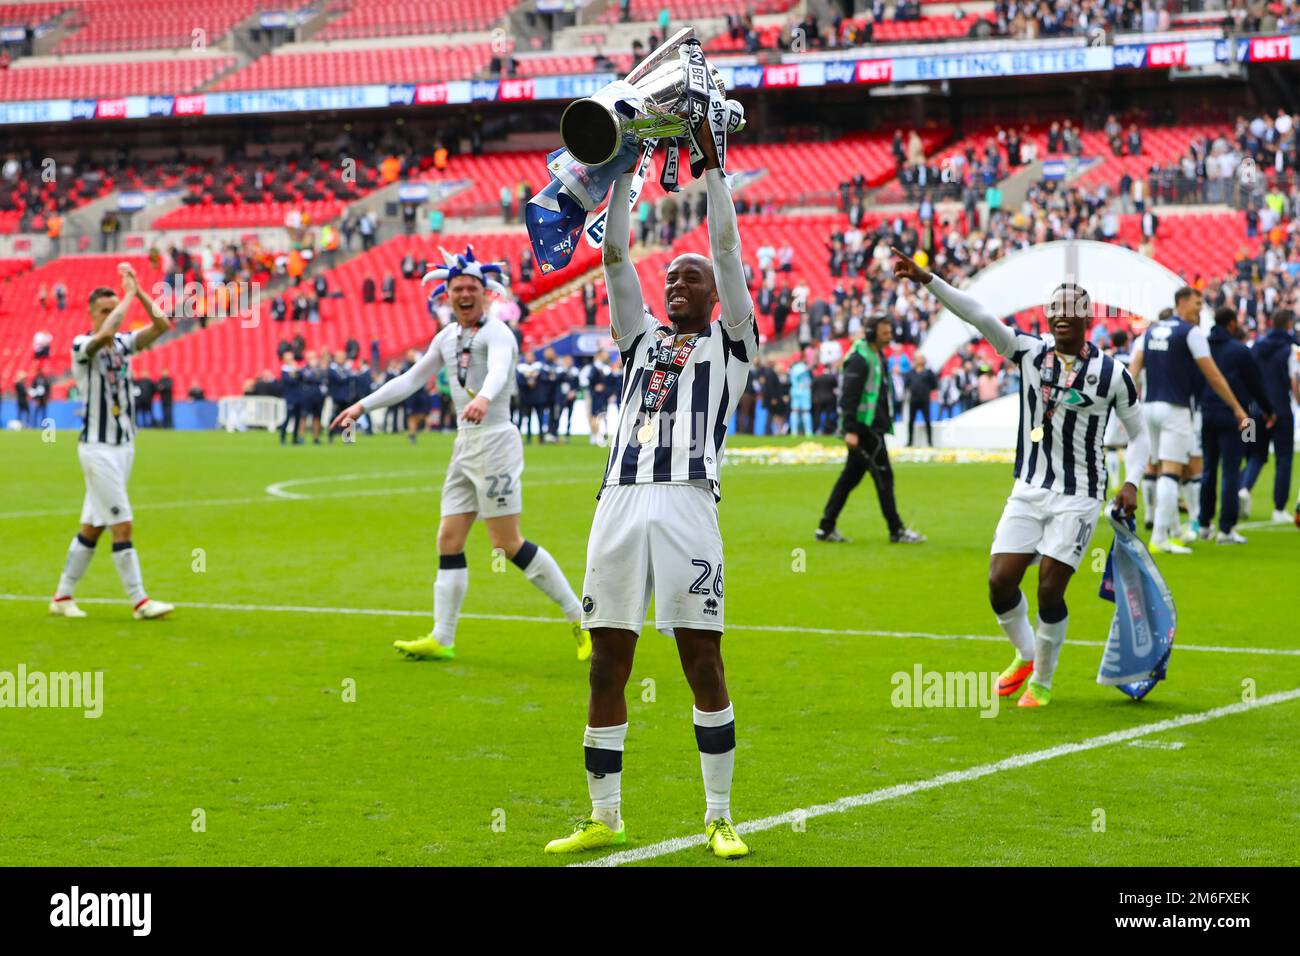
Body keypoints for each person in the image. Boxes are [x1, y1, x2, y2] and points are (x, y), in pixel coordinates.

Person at [545, 111, 753, 860]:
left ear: (714, 295)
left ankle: (719, 815)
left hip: (688, 503)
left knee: (702, 658)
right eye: (671, 278)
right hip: (620, 502)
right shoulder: (641, 342)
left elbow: (726, 247)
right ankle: (605, 814)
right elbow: (615, 261)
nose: (675, 284)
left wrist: (713, 171)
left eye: (688, 278)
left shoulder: (733, 345)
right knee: (607, 660)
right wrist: (626, 168)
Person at [893, 248, 1149, 708]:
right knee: (999, 581)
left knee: (1049, 587)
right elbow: (979, 315)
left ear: (1087, 317)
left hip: (1080, 495)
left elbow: (1140, 435)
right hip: (1029, 488)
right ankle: (1027, 654)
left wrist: (1132, 482)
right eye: (1054, 309)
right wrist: (928, 279)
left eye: (1070, 309)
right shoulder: (1029, 353)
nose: (1060, 316)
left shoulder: (1114, 373)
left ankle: (1043, 683)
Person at [330, 247, 589, 663]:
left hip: (495, 441)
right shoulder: (447, 337)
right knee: (449, 539)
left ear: (486, 294)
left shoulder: (497, 333)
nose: (464, 294)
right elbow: (411, 380)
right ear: (446, 295)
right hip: (464, 443)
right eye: (457, 289)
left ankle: (579, 617)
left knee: (505, 543)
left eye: (472, 288)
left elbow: (501, 369)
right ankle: (442, 637)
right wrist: (363, 406)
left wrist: (485, 398)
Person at [49, 264, 175, 622]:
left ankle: (62, 596)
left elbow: (163, 326)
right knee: (123, 523)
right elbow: (104, 336)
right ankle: (140, 602)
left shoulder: (124, 344)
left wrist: (140, 293)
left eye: (113, 308)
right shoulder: (82, 345)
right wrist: (130, 296)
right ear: (91, 313)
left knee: (92, 527)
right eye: (104, 310)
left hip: (124, 446)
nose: (110, 316)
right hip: (97, 448)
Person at [1128, 287, 1249, 554]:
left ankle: (1172, 529)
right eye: (1196, 303)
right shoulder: (1190, 333)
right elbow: (1214, 376)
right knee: (1172, 472)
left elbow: (1133, 369)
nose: (1199, 309)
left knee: (1158, 470)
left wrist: (1124, 404)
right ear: (1181, 302)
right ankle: (1160, 538)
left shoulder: (1151, 331)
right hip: (1176, 409)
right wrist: (1238, 408)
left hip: (1150, 408)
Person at [815, 316, 926, 544]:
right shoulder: (860, 358)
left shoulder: (874, 354)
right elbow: (849, 395)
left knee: (849, 478)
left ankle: (825, 527)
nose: (890, 336)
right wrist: (850, 430)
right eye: (885, 333)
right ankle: (896, 530)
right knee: (884, 477)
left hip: (871, 426)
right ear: (872, 333)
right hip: (866, 429)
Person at [1197, 307, 1274, 543]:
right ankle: (1226, 528)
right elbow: (1256, 384)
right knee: (1231, 470)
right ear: (1231, 324)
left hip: (1207, 413)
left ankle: (1204, 524)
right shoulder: (1240, 351)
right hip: (1236, 415)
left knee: (1209, 469)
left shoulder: (1202, 347)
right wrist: (1269, 411)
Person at [1240, 308, 1297, 522]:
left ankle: (1243, 488)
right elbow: (1294, 380)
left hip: (1254, 410)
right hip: (1281, 409)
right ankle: (1279, 509)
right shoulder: (1292, 349)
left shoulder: (1256, 346)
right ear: (1289, 325)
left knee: (1255, 454)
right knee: (1284, 458)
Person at [905, 353, 937, 446]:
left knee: (927, 420)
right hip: (913, 400)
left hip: (924, 400)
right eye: (918, 359)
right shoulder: (911, 372)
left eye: (921, 358)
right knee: (911, 421)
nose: (920, 361)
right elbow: (907, 384)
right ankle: (910, 441)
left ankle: (930, 442)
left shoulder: (928, 372)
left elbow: (934, 384)